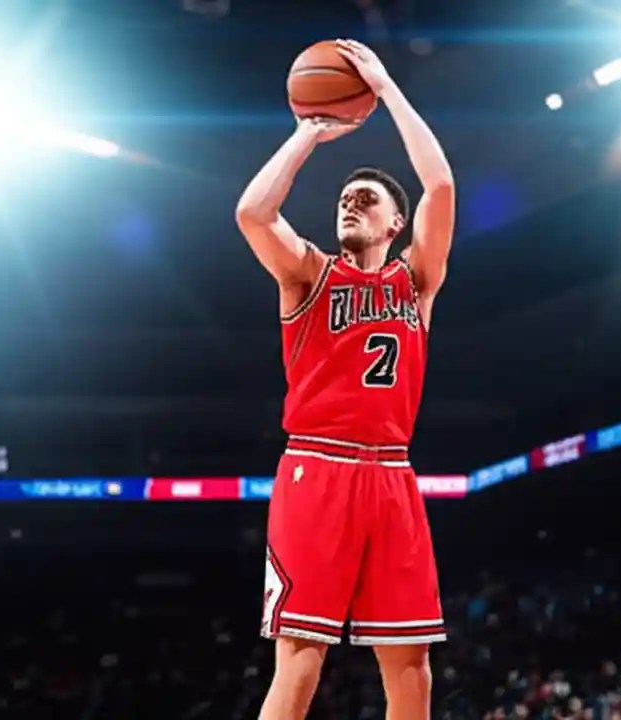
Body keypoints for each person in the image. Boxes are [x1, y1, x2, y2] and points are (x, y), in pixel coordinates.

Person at [234, 39, 455, 720]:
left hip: (392, 475)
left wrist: (386, 90)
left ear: (397, 220)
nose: (350, 205)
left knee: (412, 668)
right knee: (301, 659)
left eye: (366, 199)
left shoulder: (415, 280)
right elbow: (253, 214)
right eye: (343, 199)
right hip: (317, 468)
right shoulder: (307, 273)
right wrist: (307, 135)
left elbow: (441, 186)